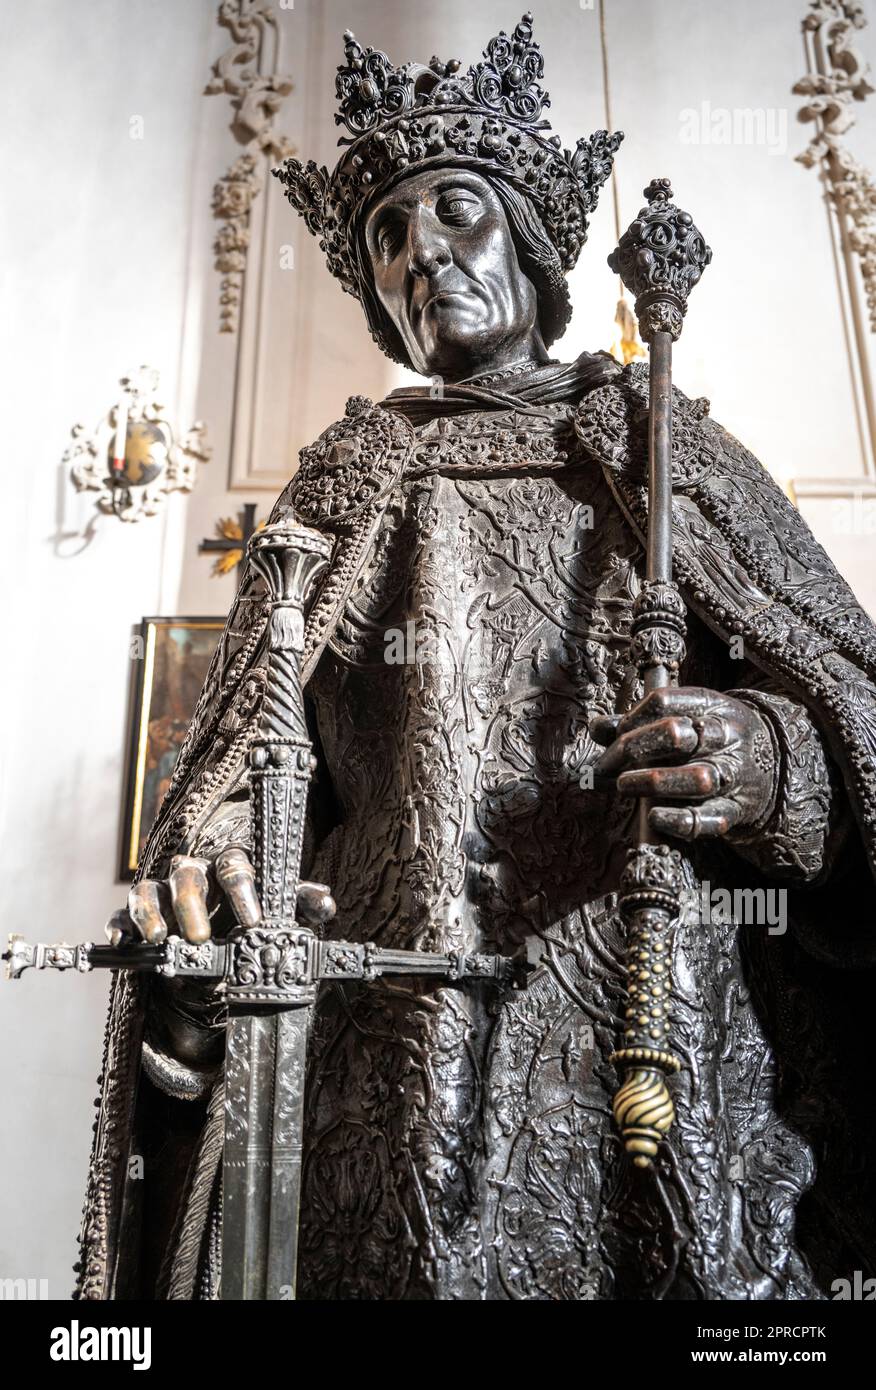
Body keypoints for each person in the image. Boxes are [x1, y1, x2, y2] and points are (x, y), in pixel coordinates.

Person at [78, 14, 876, 1300]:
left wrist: (769, 756)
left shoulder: (663, 449)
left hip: (659, 1050)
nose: (420, 257)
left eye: (457, 211)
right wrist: (215, 873)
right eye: (388, 239)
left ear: (536, 244)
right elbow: (250, 766)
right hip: (389, 1080)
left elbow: (848, 709)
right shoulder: (340, 489)